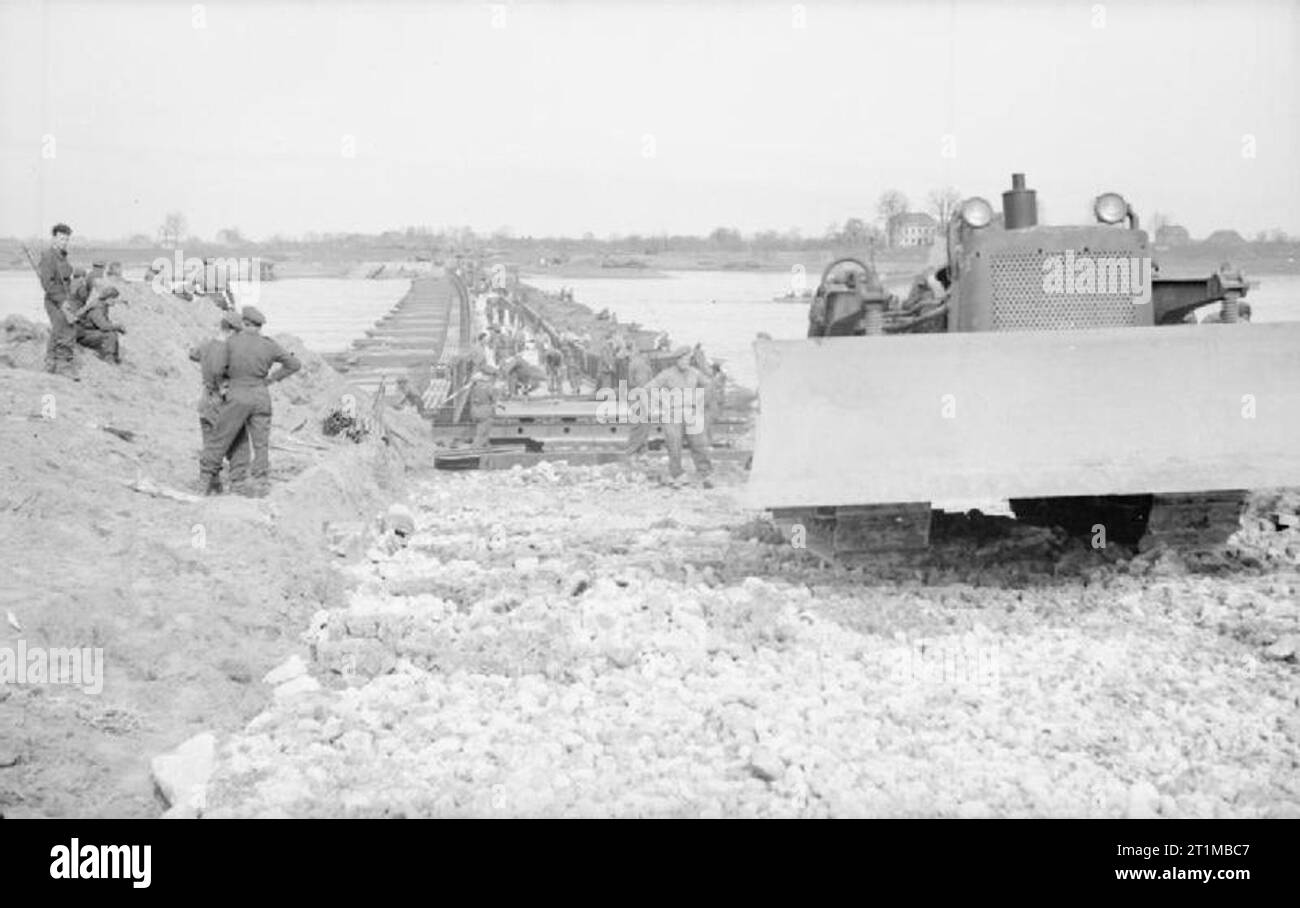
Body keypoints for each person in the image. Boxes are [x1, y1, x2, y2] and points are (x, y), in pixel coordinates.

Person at [198, 305, 301, 495]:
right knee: (261, 443)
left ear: (244, 323)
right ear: (259, 326)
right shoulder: (269, 345)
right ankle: (261, 481)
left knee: (222, 437)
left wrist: (222, 383)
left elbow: (217, 369)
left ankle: (206, 479)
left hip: (237, 393)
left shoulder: (231, 342)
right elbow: (294, 364)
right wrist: (272, 379)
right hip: (261, 395)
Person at [188, 311, 250, 492]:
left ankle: (209, 482)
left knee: (210, 443)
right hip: (223, 402)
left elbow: (193, 354)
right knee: (240, 443)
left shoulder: (207, 344)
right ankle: (238, 485)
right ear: (231, 331)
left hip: (206, 402)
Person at [643, 345, 713, 486]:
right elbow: (648, 388)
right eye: (682, 359)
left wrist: (700, 400)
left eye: (687, 359)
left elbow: (708, 384)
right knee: (674, 445)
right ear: (676, 360)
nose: (685, 362)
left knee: (699, 444)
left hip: (691, 413)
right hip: (672, 414)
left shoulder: (695, 373)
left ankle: (704, 473)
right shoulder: (667, 374)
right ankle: (677, 474)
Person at [37, 223, 77, 379]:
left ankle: (51, 363)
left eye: (67, 239)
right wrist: (61, 301)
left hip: (65, 298)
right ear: (54, 238)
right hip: (54, 299)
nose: (64, 242)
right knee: (64, 327)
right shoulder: (48, 256)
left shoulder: (63, 256)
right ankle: (62, 365)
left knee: (62, 327)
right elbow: (47, 284)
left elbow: (66, 278)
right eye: (61, 238)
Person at [73, 284, 126, 364]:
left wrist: (115, 327)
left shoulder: (102, 305)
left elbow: (105, 323)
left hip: (87, 332)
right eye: (114, 299)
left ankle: (114, 357)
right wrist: (118, 327)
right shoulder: (97, 308)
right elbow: (103, 326)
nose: (116, 301)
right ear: (109, 298)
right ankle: (109, 358)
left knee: (112, 333)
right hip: (82, 334)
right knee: (110, 334)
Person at [623, 346, 655, 455]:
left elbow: (631, 381)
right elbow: (643, 384)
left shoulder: (634, 363)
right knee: (641, 426)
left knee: (639, 425)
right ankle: (633, 452)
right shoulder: (641, 365)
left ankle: (640, 451)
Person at [466, 365, 499, 448]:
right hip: (484, 410)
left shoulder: (475, 385)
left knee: (481, 428)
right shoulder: (489, 386)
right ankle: (475, 447)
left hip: (475, 410)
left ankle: (485, 444)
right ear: (490, 375)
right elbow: (494, 398)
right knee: (483, 430)